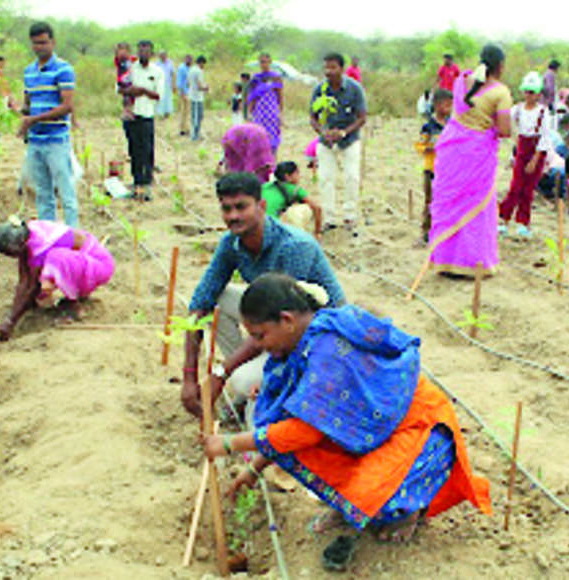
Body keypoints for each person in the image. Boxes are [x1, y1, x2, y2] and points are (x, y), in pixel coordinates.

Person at [201, 274, 492, 570]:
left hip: (418, 429)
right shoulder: (301, 345)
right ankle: (347, 507)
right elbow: (292, 419)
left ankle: (407, 512)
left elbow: (306, 431)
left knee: (373, 494)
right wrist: (253, 469)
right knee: (318, 456)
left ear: (287, 320)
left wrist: (230, 443)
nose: (257, 345)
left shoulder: (328, 351)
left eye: (260, 335)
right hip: (373, 430)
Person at [181, 172, 346, 420]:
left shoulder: (293, 246)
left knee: (242, 381)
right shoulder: (231, 244)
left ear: (262, 206)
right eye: (226, 209)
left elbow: (281, 321)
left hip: (316, 335)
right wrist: (189, 376)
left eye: (241, 207)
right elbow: (200, 303)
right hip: (273, 324)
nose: (233, 216)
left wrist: (221, 373)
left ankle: (256, 382)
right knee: (220, 298)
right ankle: (250, 369)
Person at [428, 44, 512, 276]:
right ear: (500, 66)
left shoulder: (462, 81)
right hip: (477, 155)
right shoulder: (500, 92)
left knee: (450, 203)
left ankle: (445, 260)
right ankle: (472, 262)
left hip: (451, 150)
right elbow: (505, 130)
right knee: (477, 206)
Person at [0, 216, 115, 341]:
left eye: (11, 253)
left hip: (99, 266)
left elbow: (32, 286)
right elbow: (23, 280)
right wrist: (12, 317)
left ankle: (73, 306)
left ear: (21, 244)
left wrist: (11, 321)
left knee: (55, 260)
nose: (11, 257)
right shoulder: (27, 234)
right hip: (83, 264)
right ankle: (62, 299)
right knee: (46, 272)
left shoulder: (40, 244)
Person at [19, 22, 79, 228]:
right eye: (35, 43)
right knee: (43, 194)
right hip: (36, 141)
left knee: (66, 191)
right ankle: (49, 235)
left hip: (56, 140)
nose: (39, 47)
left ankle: (72, 235)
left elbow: (67, 106)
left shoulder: (63, 69)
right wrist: (20, 112)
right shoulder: (29, 72)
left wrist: (33, 120)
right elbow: (29, 105)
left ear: (53, 42)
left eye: (43, 42)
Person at [309, 52, 368, 233]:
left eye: (333, 67)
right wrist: (323, 132)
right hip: (326, 140)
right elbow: (313, 117)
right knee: (326, 178)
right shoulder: (320, 90)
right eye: (326, 67)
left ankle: (350, 216)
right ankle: (329, 218)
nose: (329, 71)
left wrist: (343, 132)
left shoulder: (355, 89)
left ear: (342, 69)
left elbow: (362, 118)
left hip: (349, 138)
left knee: (352, 177)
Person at [499, 71, 553, 238]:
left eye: (532, 92)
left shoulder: (543, 112)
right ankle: (504, 220)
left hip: (536, 151)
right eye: (526, 91)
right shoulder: (518, 109)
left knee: (528, 190)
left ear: (538, 94)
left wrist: (535, 160)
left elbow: (545, 137)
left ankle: (523, 222)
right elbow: (505, 120)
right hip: (522, 149)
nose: (529, 95)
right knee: (515, 187)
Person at [120, 40, 164, 200]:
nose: (143, 53)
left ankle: (146, 184)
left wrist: (143, 91)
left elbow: (158, 95)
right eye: (140, 50)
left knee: (147, 151)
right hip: (131, 116)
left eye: (146, 51)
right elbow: (120, 88)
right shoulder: (130, 69)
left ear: (151, 54)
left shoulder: (157, 71)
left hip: (146, 116)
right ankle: (137, 183)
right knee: (134, 151)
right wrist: (130, 91)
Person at [414, 89, 452, 242]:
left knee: (446, 200)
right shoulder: (428, 127)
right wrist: (429, 147)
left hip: (447, 169)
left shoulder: (451, 124)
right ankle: (426, 230)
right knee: (430, 201)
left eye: (451, 105)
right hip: (431, 169)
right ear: (437, 105)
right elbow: (419, 145)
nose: (449, 109)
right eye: (446, 105)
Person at [263, 161, 324, 238]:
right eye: (297, 173)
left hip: (258, 225)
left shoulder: (265, 186)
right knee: (305, 208)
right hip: (273, 228)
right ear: (287, 176)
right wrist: (317, 232)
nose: (299, 176)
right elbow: (317, 208)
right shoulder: (294, 189)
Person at [248, 53, 285, 153]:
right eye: (261, 62)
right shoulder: (256, 79)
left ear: (270, 62)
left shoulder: (276, 77)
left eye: (265, 62)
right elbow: (253, 97)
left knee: (272, 136)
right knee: (258, 135)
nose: (263, 64)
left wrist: (281, 113)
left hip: (271, 111)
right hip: (259, 111)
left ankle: (272, 157)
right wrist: (250, 113)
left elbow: (280, 96)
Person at [114, 43, 137, 121]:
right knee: (126, 97)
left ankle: (131, 112)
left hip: (132, 81)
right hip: (123, 82)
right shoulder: (119, 62)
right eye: (120, 52)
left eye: (125, 52)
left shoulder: (132, 59)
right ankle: (126, 112)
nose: (123, 54)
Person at [188, 56, 209, 141]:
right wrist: (206, 88)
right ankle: (195, 135)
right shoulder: (198, 71)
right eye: (203, 64)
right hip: (197, 97)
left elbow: (188, 83)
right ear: (201, 63)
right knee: (198, 117)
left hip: (192, 95)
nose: (203, 66)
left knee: (194, 116)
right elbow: (199, 86)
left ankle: (194, 134)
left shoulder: (191, 70)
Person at [156, 50, 175, 120]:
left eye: (163, 55)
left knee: (168, 99)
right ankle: (160, 114)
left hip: (168, 83)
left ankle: (167, 113)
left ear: (166, 55)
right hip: (160, 84)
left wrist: (173, 84)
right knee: (161, 99)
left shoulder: (170, 63)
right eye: (161, 55)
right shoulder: (157, 64)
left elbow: (173, 74)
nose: (162, 56)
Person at [176, 54, 192, 136]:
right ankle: (182, 129)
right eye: (188, 59)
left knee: (188, 111)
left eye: (190, 60)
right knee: (183, 111)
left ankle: (187, 128)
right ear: (185, 59)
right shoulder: (181, 68)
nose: (189, 61)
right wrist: (182, 92)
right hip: (183, 92)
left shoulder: (190, 68)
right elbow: (179, 81)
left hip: (189, 92)